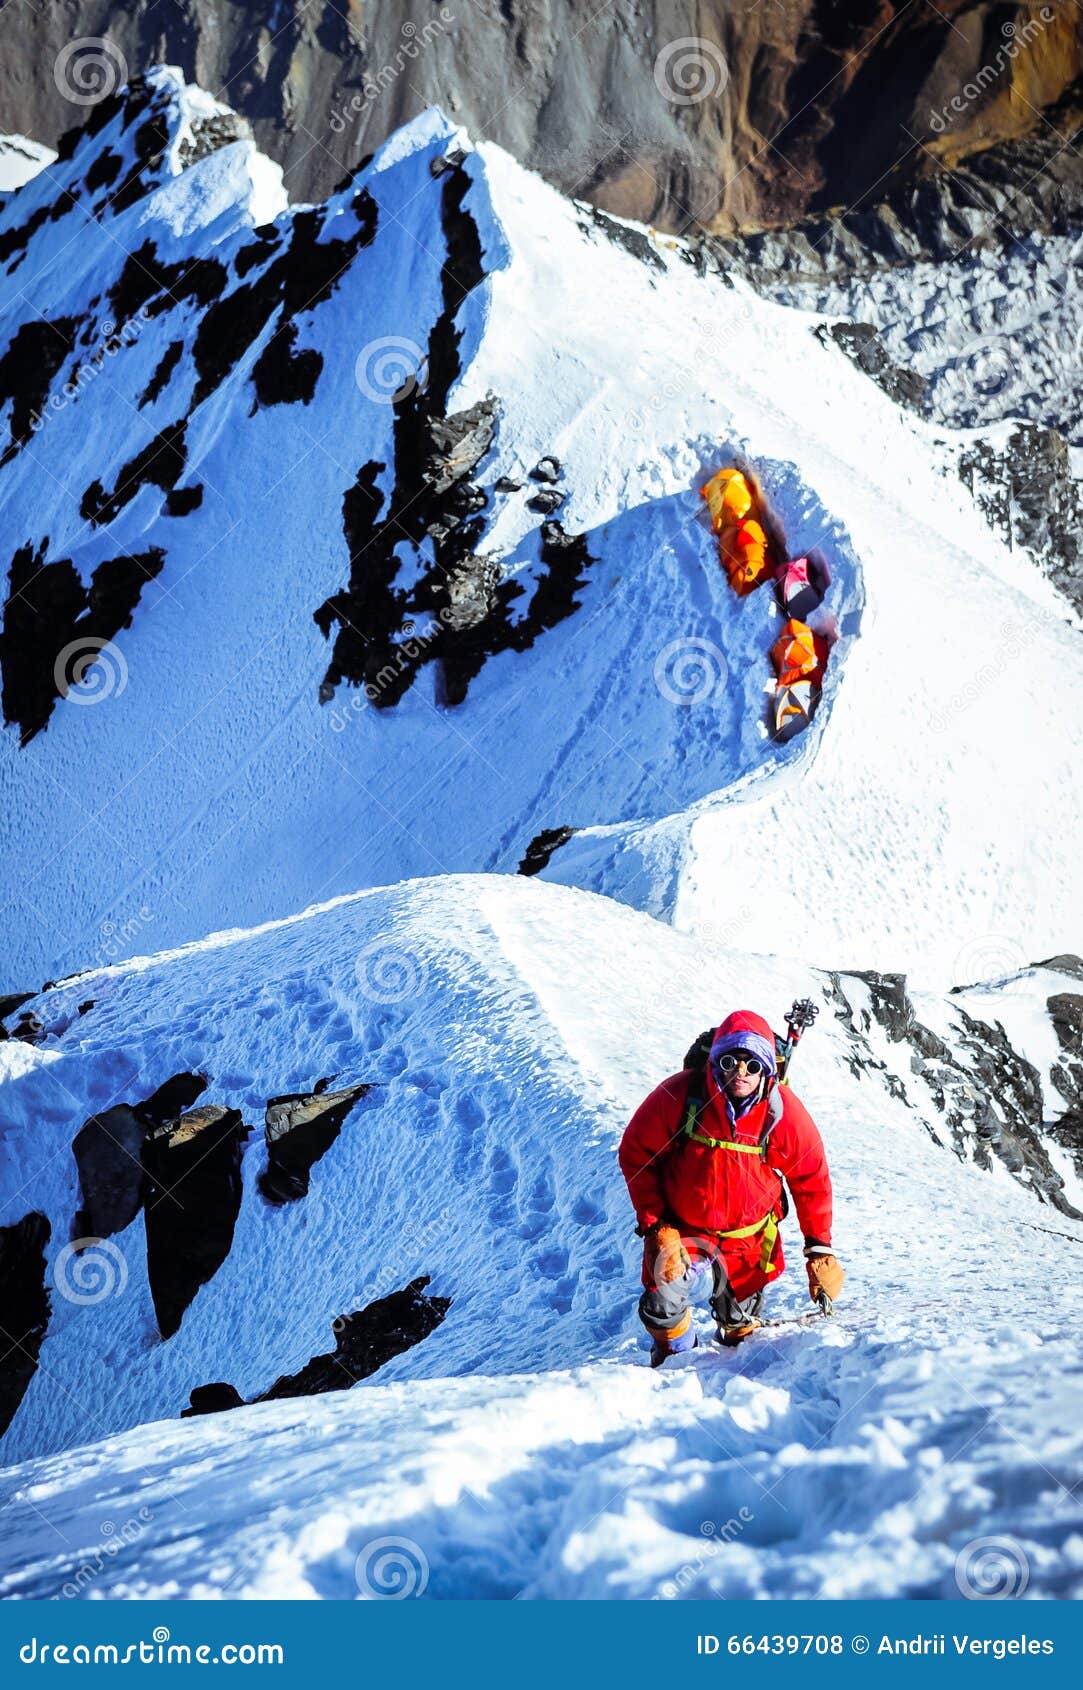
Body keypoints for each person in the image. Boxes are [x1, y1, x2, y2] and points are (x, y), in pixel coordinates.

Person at [618, 1009, 844, 1364]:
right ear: (714, 1062)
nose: (741, 1073)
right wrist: (656, 1225)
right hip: (683, 1228)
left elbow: (810, 1178)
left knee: (739, 1323)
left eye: (752, 1065)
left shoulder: (781, 1113)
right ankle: (676, 1359)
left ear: (766, 1070)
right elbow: (636, 1154)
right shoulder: (680, 1096)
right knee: (661, 1307)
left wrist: (819, 1248)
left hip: (749, 1238)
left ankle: (733, 1361)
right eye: (729, 1061)